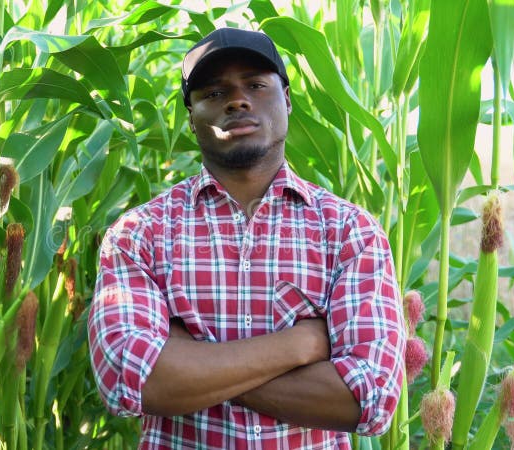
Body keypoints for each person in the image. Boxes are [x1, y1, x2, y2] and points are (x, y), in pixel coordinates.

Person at [88, 27, 406, 449]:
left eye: (256, 85)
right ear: (191, 117)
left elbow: (371, 398)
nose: (237, 100)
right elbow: (132, 380)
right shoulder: (139, 235)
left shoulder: (350, 232)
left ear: (287, 100)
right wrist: (301, 344)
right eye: (214, 93)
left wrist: (191, 357)